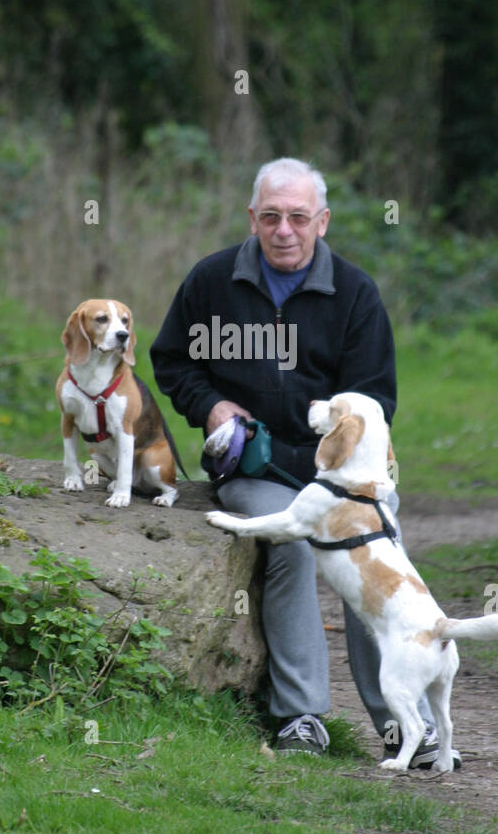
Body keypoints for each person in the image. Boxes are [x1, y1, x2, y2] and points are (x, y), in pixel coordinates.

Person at [151, 157, 457, 765]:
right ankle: (301, 717)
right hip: (255, 468)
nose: (283, 230)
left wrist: (340, 466)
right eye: (271, 217)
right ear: (252, 219)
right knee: (290, 544)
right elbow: (171, 362)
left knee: (368, 555)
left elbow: (376, 399)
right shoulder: (212, 281)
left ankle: (406, 726)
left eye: (297, 217)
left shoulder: (355, 293)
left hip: (339, 471)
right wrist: (211, 409)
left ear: (322, 221)